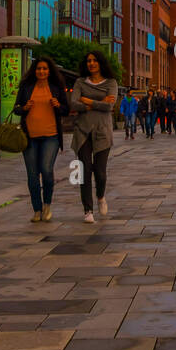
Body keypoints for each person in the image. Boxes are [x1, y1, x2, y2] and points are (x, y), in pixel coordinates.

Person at [12, 56, 68, 222]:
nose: (41, 71)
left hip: (51, 136)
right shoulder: (27, 87)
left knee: (47, 170)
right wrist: (24, 108)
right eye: (38, 69)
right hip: (30, 137)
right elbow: (16, 109)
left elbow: (66, 109)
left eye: (44, 69)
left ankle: (47, 205)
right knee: (32, 175)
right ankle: (37, 209)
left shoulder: (56, 88)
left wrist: (58, 105)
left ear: (49, 71)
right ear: (34, 71)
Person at [71, 51, 118, 224]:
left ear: (101, 63)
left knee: (100, 172)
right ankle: (87, 209)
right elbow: (74, 103)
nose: (91, 63)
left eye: (95, 60)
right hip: (82, 132)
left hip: (103, 132)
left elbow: (109, 106)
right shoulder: (80, 82)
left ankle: (100, 196)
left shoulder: (111, 82)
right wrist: (98, 102)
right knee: (84, 170)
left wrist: (88, 101)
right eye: (88, 60)